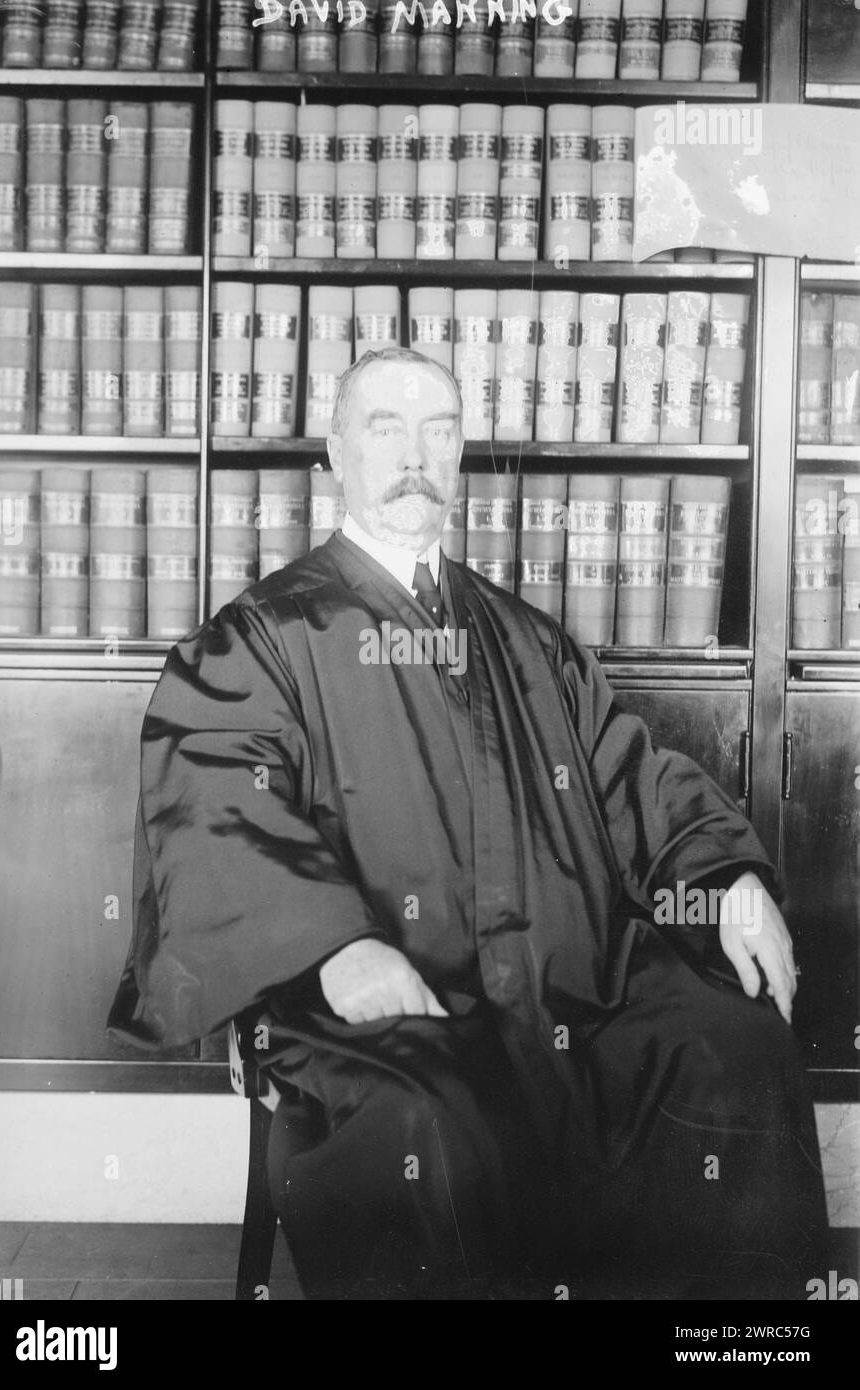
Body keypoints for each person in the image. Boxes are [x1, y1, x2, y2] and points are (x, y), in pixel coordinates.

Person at [109, 347, 827, 1301]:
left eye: (439, 432)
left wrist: (723, 877)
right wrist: (335, 949)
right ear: (334, 453)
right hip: (371, 1005)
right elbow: (214, 805)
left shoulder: (526, 639)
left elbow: (629, 776)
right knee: (425, 1123)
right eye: (387, 428)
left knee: (733, 1050)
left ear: (460, 456)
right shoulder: (262, 638)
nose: (416, 455)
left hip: (560, 985)